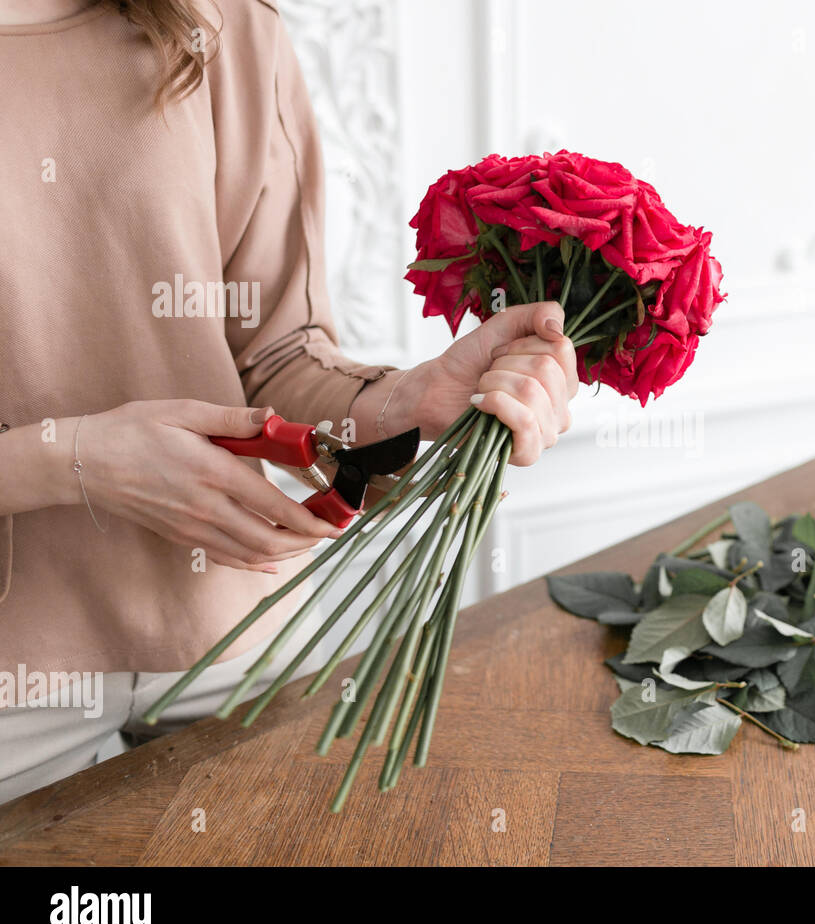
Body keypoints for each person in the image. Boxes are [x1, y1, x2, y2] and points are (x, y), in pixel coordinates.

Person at [0, 0, 578, 801]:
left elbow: (272, 352)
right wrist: (77, 462)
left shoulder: (215, 22)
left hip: (238, 636)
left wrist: (412, 399)